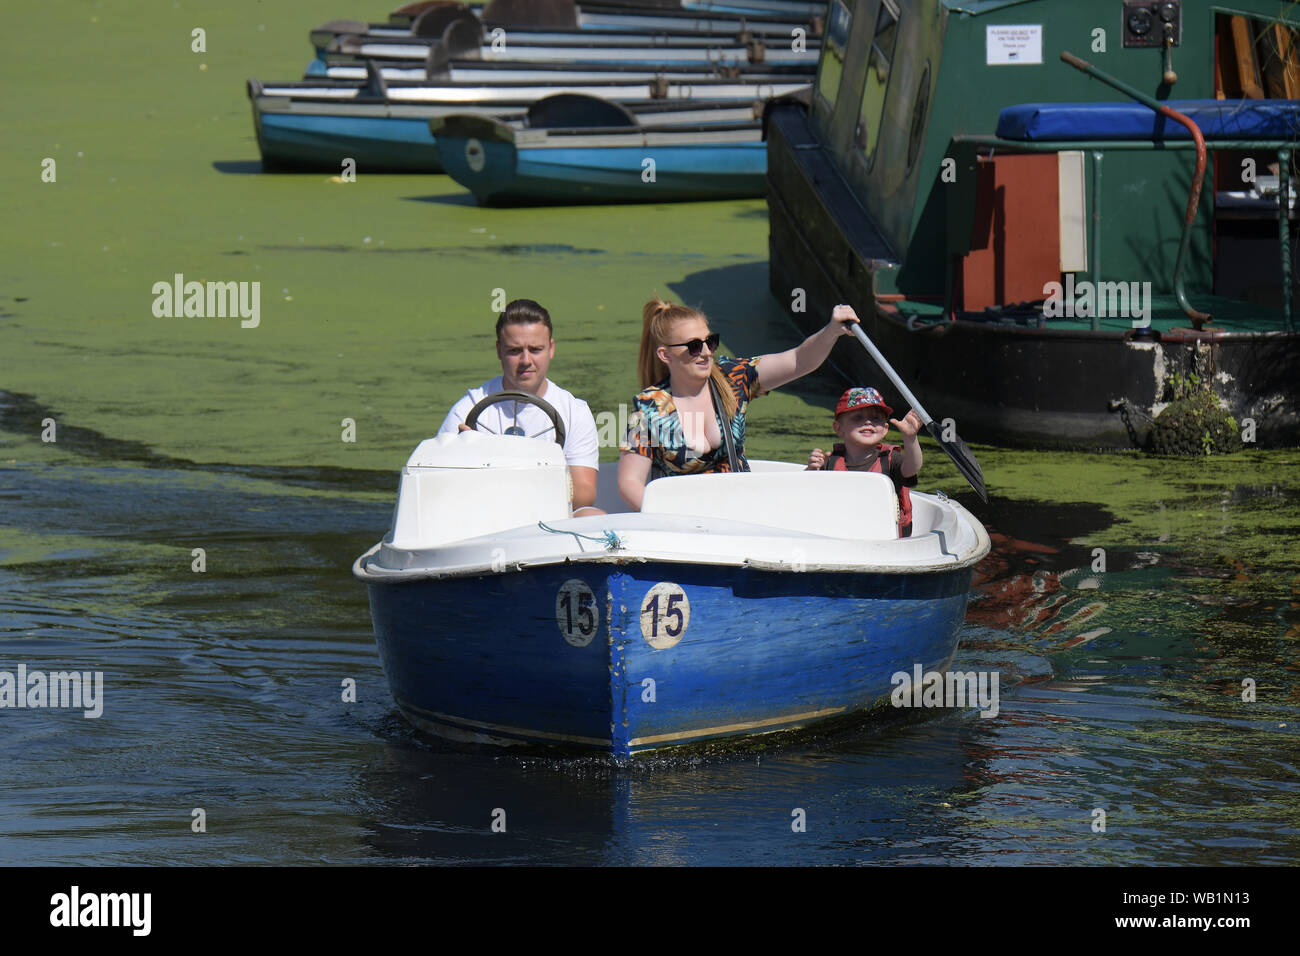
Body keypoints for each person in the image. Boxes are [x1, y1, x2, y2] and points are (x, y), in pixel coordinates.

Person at [617, 297, 861, 510]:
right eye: (693, 346)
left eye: (710, 341)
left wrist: (832, 331)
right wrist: (667, 519)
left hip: (741, 512)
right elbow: (630, 483)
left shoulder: (733, 377)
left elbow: (799, 360)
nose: (705, 352)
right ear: (665, 354)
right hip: (683, 520)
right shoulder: (649, 407)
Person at [439, 299, 601, 514]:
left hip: (550, 516)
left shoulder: (575, 411)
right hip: (483, 513)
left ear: (551, 349)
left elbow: (584, 494)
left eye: (535, 349)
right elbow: (439, 483)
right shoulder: (468, 407)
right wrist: (466, 453)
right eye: (515, 351)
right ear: (499, 350)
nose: (526, 360)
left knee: (593, 515)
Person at [807, 386, 924, 536]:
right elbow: (811, 497)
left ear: (885, 428)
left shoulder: (890, 460)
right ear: (838, 428)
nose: (868, 422)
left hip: (885, 542)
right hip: (841, 537)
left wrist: (910, 438)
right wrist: (811, 471)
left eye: (875, 418)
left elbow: (913, 467)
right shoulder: (831, 462)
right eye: (858, 417)